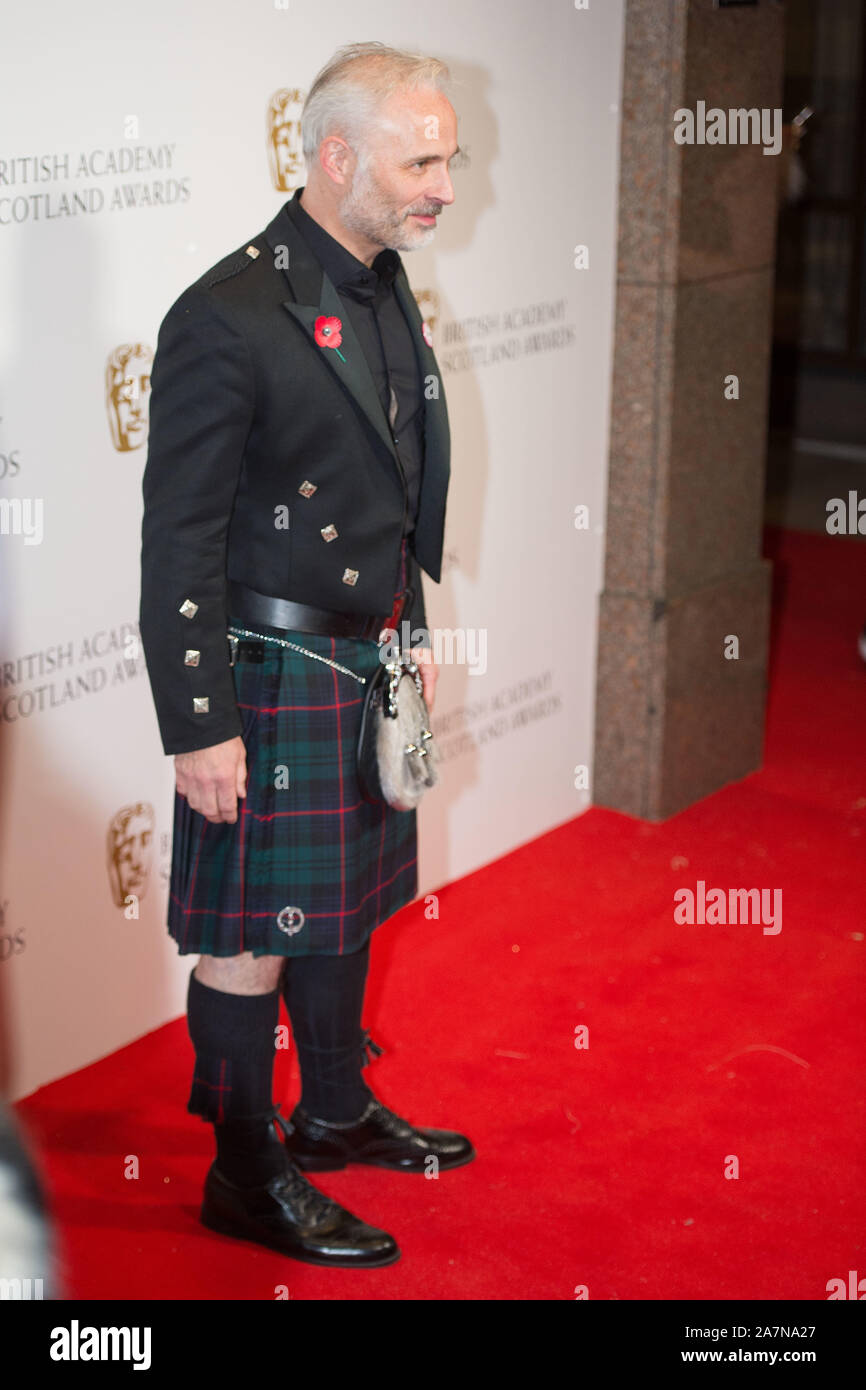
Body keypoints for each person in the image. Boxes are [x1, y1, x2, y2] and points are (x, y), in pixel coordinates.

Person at [139, 42, 473, 1270]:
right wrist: (197, 722)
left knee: (344, 912)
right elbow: (175, 539)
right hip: (264, 678)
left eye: (449, 156)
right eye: (420, 158)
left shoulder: (381, 285)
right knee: (251, 934)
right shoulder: (226, 315)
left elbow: (389, 488)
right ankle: (241, 1168)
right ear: (338, 156)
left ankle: (331, 1111)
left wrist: (412, 633)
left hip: (362, 657)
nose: (444, 183)